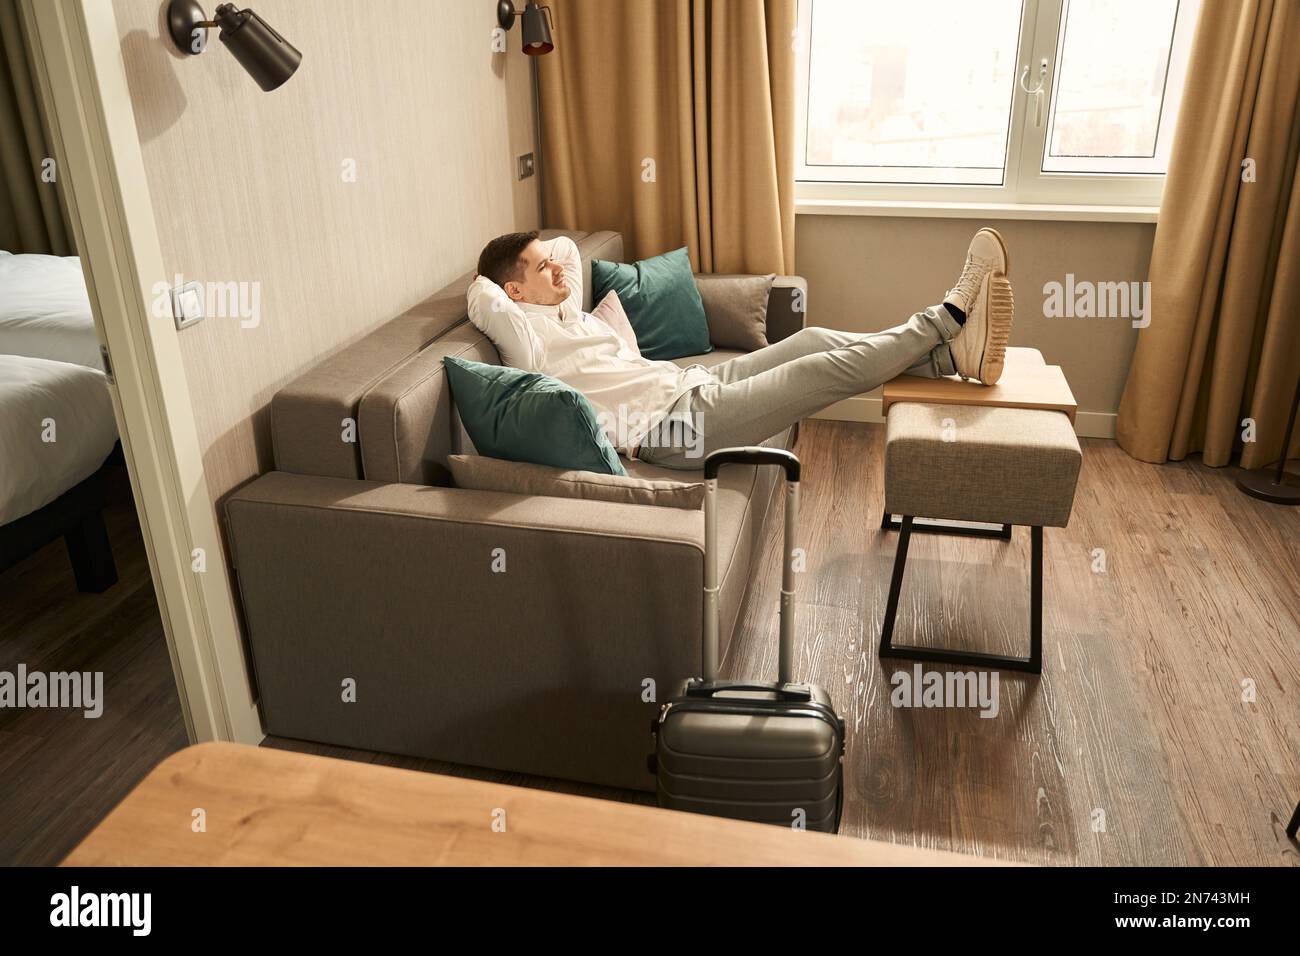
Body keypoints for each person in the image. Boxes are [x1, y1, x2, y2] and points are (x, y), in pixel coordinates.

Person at [467, 228, 1014, 470]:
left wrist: (540, 265)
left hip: (689, 388)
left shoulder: (564, 309)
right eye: (543, 267)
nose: (560, 266)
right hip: (670, 434)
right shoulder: (528, 341)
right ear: (513, 292)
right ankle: (948, 316)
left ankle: (949, 359)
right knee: (825, 369)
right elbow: (483, 299)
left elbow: (562, 247)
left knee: (813, 338)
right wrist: (498, 283)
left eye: (554, 262)